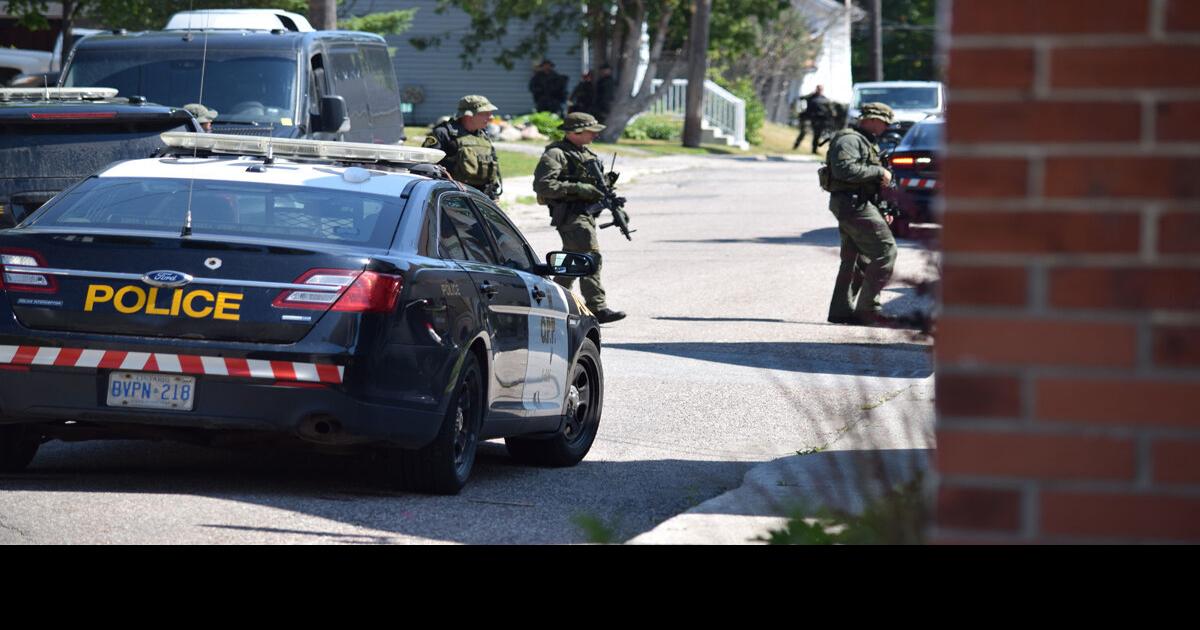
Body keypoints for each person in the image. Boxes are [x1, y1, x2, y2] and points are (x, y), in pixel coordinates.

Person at [533, 112, 626, 324]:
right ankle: (597, 307)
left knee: (573, 260)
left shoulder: (585, 154)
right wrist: (580, 189)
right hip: (570, 215)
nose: (594, 135)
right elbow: (543, 185)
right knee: (590, 257)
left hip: (586, 214)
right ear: (575, 132)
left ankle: (552, 302)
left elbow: (598, 188)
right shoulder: (556, 154)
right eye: (590, 131)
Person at [824, 102, 898, 327]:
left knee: (855, 258)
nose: (886, 127)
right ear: (872, 119)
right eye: (884, 123)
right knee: (885, 251)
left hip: (857, 203)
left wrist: (883, 208)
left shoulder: (864, 141)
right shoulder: (849, 140)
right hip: (852, 203)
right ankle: (868, 311)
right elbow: (843, 170)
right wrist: (879, 171)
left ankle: (842, 311)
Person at [422, 95, 502, 199]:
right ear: (469, 115)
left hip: (481, 198)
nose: (491, 117)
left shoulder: (483, 136)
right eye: (485, 113)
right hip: (450, 197)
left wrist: (493, 194)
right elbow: (426, 167)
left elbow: (492, 169)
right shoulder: (444, 134)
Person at [792, 85, 833, 153]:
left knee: (817, 135)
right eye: (818, 89)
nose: (818, 90)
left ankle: (814, 150)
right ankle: (795, 146)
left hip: (819, 120)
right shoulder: (811, 97)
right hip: (809, 118)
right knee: (804, 131)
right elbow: (801, 98)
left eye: (820, 89)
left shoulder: (825, 100)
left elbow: (830, 111)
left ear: (822, 90)